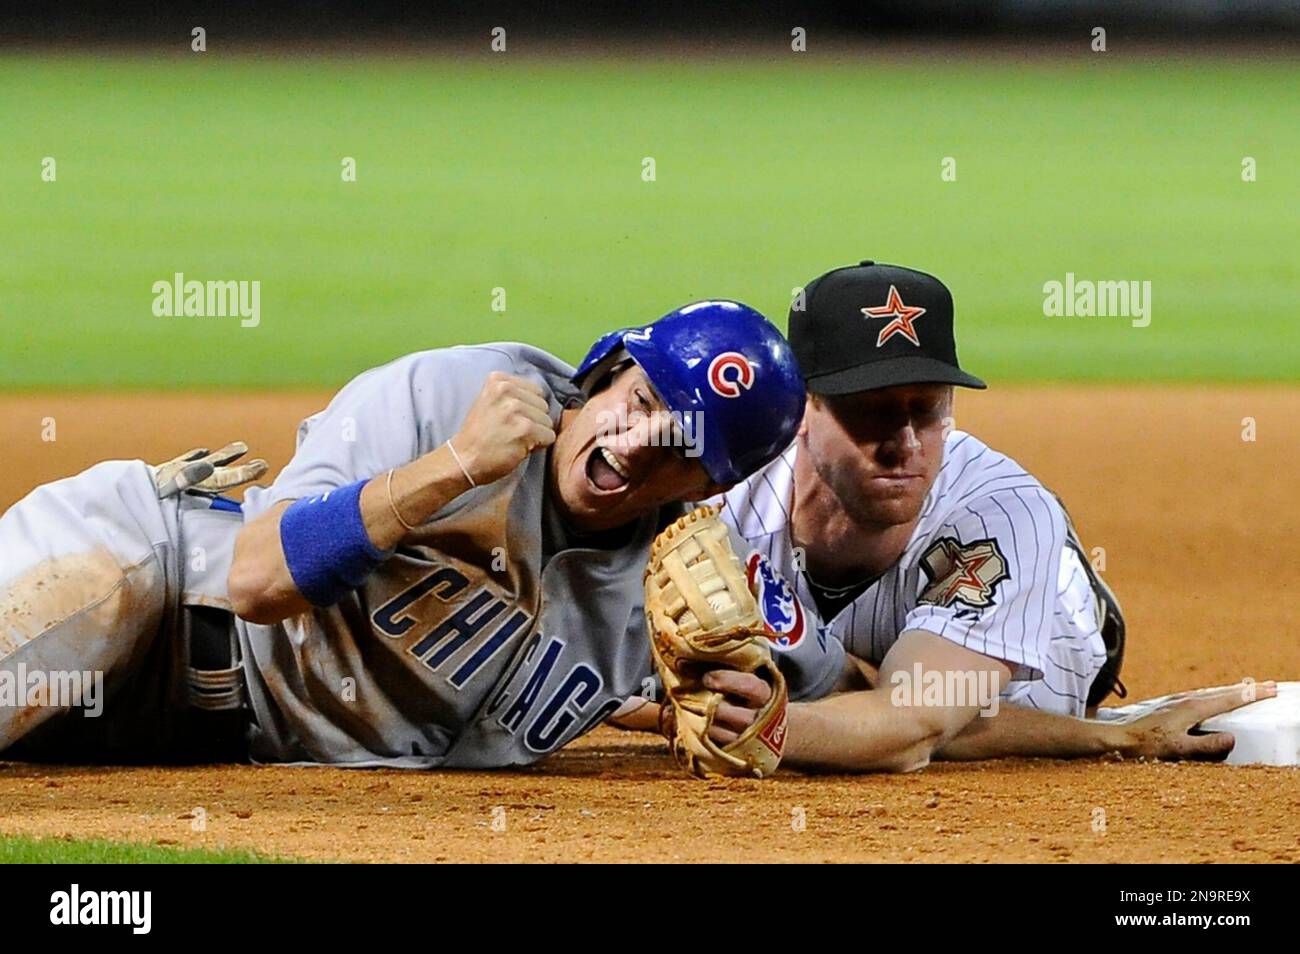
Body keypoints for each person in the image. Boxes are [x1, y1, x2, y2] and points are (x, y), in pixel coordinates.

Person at [0, 300, 847, 768]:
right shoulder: (452, 394)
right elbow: (255, 580)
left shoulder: (692, 583)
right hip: (150, 582)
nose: (634, 445)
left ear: (712, 487)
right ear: (604, 370)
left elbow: (878, 696)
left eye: (679, 447)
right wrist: (453, 466)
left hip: (177, 743)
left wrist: (752, 716)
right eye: (642, 402)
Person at [614, 263, 1272, 771]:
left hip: (1036, 660)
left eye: (926, 409)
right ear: (802, 407)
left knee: (939, 714)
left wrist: (778, 723)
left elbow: (914, 730)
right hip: (875, 663)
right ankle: (845, 674)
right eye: (871, 411)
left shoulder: (1003, 516)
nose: (904, 443)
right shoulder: (726, 488)